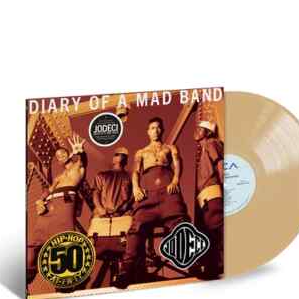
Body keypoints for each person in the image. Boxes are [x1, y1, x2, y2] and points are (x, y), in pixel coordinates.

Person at [114, 117, 189, 289]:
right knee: (136, 228)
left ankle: (194, 263)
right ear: (148, 131)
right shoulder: (141, 152)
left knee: (180, 223)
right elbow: (136, 171)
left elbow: (177, 162)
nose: (155, 130)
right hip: (147, 194)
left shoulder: (170, 148)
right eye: (152, 128)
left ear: (162, 130)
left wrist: (176, 180)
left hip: (168, 191)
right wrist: (135, 188)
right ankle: (126, 271)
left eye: (158, 127)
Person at [27, 133, 87, 285]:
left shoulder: (77, 167)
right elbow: (49, 190)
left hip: (65, 204)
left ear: (69, 154)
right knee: (35, 242)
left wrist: (80, 152)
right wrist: (40, 200)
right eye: (58, 156)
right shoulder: (59, 177)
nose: (61, 157)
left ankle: (68, 281)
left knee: (65, 241)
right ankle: (26, 275)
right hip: (49, 208)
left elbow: (83, 161)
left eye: (63, 154)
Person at [193, 120, 224, 279]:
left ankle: (216, 265)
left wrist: (225, 186)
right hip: (206, 194)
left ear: (208, 132)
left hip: (212, 191)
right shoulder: (204, 148)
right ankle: (212, 265)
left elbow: (220, 164)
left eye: (201, 129)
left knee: (215, 229)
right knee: (209, 230)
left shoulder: (211, 143)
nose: (197, 130)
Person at [92, 147, 133, 218]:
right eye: (117, 154)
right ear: (113, 160)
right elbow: (96, 193)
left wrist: (125, 207)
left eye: (124, 155)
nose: (120, 155)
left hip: (123, 216)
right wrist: (100, 209)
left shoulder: (131, 177)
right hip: (103, 215)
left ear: (126, 161)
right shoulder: (101, 175)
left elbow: (133, 196)